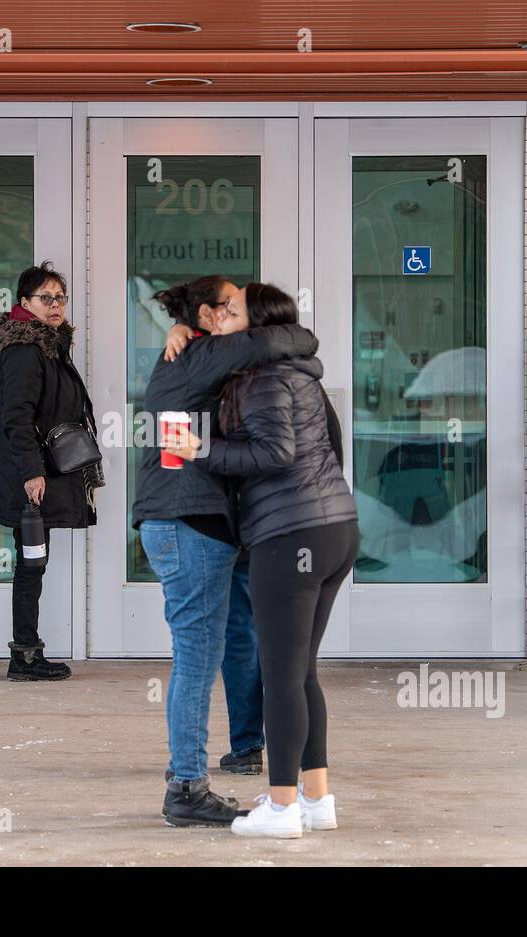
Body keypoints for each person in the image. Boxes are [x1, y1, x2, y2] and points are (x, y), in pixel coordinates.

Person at [166, 282, 358, 839]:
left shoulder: (265, 378)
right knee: (301, 674)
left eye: (233, 310)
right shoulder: (298, 372)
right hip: (333, 528)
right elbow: (329, 449)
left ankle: (280, 808)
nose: (222, 315)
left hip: (291, 536)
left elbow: (275, 454)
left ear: (257, 326)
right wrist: (181, 331)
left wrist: (202, 451)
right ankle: (315, 798)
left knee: (279, 677)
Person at [133, 275, 319, 827]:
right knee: (196, 658)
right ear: (212, 316)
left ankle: (197, 767)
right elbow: (287, 338)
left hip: (188, 521)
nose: (240, 314)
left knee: (208, 650)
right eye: (232, 306)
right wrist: (187, 328)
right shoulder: (202, 352)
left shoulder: (196, 354)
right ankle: (187, 787)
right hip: (185, 521)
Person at [0, 261, 101, 681]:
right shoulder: (24, 353)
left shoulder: (49, 347)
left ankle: (28, 653)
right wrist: (32, 474)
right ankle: (25, 656)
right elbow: (16, 419)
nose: (56, 305)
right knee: (31, 564)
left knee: (34, 562)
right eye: (46, 298)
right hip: (31, 480)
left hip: (38, 474)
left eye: (60, 298)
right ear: (24, 303)